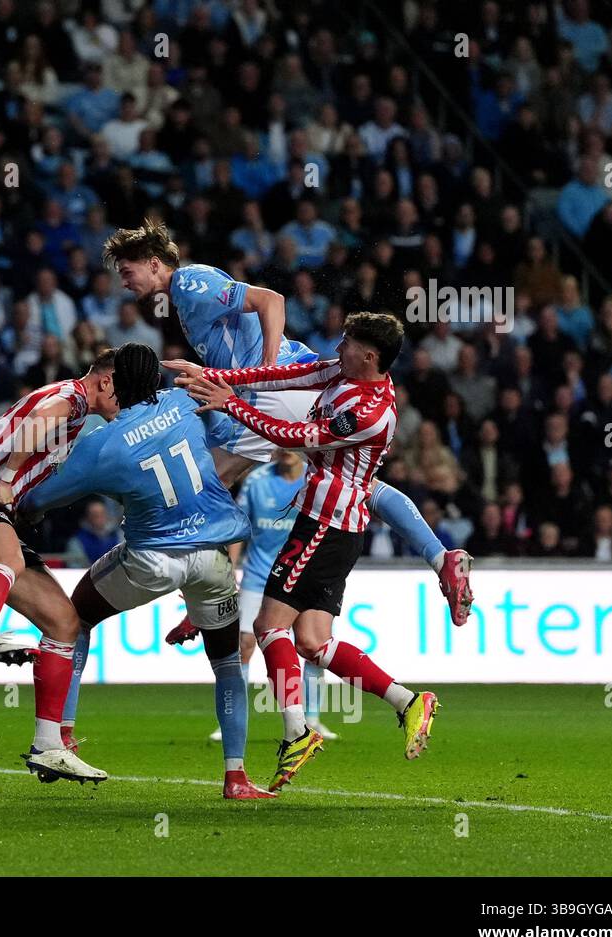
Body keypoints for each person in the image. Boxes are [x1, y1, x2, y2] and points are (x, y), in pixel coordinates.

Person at [102, 220, 474, 641]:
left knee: (210, 483)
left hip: (278, 388)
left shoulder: (189, 283)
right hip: (277, 385)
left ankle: (209, 600)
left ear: (154, 263)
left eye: (128, 270)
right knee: (353, 484)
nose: (124, 281)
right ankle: (442, 558)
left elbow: (272, 301)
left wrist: (261, 370)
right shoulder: (183, 296)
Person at [173, 312, 440, 792]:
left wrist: (231, 404)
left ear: (369, 355)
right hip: (335, 529)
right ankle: (407, 701)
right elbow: (282, 373)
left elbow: (295, 437)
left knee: (268, 626)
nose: (338, 347)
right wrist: (215, 377)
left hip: (326, 526)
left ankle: (297, 730)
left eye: (347, 342)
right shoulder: (343, 372)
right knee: (314, 642)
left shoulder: (370, 411)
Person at [19, 344, 270, 798]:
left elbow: (38, 501)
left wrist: (25, 509)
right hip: (214, 557)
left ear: (115, 384)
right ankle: (236, 777)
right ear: (156, 378)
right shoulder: (181, 402)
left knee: (72, 619)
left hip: (153, 560)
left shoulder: (102, 445)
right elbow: (224, 428)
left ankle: (64, 731)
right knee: (228, 664)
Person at [0, 349, 119, 783]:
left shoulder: (74, 414)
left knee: (63, 622)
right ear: (105, 382)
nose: (121, 405)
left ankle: (49, 745)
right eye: (121, 393)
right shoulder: (71, 398)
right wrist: (8, 476)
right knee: (8, 559)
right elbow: (40, 421)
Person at [214, 449, 337, 743]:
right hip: (258, 575)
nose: (284, 450)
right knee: (243, 644)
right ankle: (234, 721)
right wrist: (230, 567)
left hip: (302, 575)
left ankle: (312, 719)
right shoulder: (257, 481)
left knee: (312, 645)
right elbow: (238, 527)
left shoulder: (315, 480)